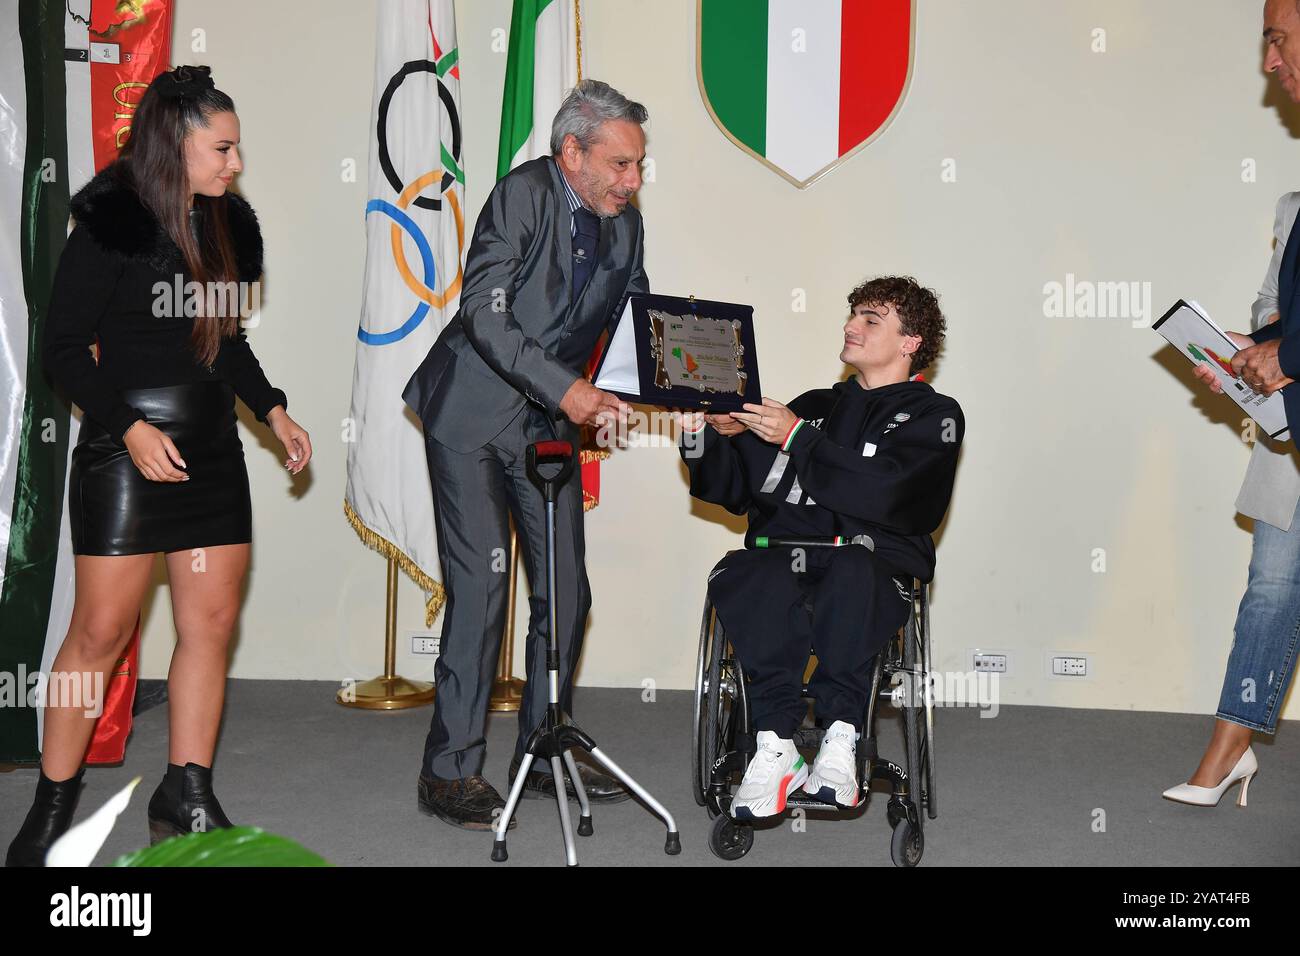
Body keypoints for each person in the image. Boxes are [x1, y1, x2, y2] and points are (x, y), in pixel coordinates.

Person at [5, 66, 311, 866]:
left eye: (236, 146)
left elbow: (226, 344)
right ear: (176, 145)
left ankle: (188, 792)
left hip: (209, 449)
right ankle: (52, 805)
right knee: (99, 632)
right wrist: (131, 427)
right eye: (223, 146)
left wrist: (272, 410)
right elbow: (63, 352)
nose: (236, 162)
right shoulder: (109, 221)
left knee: (209, 624)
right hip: (123, 445)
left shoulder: (226, 226)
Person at [401, 80, 649, 829]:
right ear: (572, 152)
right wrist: (569, 389)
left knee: (568, 592)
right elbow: (483, 310)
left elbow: (637, 317)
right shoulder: (522, 196)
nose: (634, 181)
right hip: (472, 414)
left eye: (639, 165)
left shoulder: (625, 224)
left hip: (546, 424)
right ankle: (448, 772)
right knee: (483, 592)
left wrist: (693, 389)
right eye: (621, 164)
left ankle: (541, 750)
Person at [676, 276, 963, 819]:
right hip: (783, 553)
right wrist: (703, 431)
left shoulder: (936, 416)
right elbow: (734, 492)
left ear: (911, 341)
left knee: (853, 570)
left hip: (870, 563)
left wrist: (797, 439)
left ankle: (841, 735)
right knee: (746, 571)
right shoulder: (811, 405)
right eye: (853, 313)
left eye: (870, 319)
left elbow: (895, 495)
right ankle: (775, 743)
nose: (852, 325)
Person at [1163, 0, 1300, 808]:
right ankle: (1226, 752)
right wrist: (1254, 355)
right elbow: (1267, 305)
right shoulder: (1291, 207)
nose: (1268, 63)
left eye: (1277, 39)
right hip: (1289, 432)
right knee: (1272, 590)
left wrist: (1286, 351)